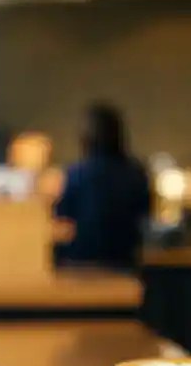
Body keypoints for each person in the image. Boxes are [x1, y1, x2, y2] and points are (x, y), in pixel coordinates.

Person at [53, 104, 151, 270]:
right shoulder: (136, 172)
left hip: (81, 259)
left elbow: (63, 215)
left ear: (85, 138)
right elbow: (145, 211)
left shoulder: (77, 174)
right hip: (124, 259)